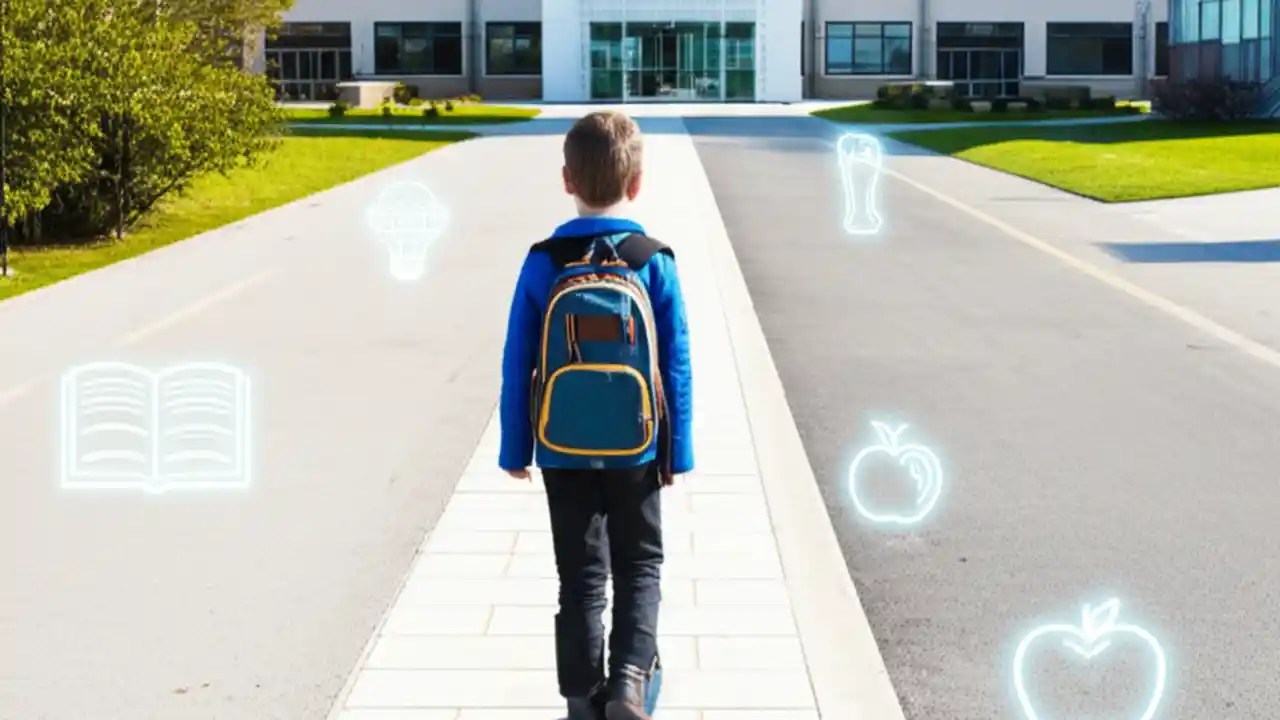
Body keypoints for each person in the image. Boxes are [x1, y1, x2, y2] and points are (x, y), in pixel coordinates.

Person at [498, 111, 694, 720]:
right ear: (636, 185)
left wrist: (515, 449)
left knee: (580, 576)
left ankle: (582, 698)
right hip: (636, 446)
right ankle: (631, 681)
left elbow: (516, 361)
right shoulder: (652, 260)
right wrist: (677, 449)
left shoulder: (543, 261)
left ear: (566, 180)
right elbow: (677, 363)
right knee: (640, 564)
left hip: (562, 445)